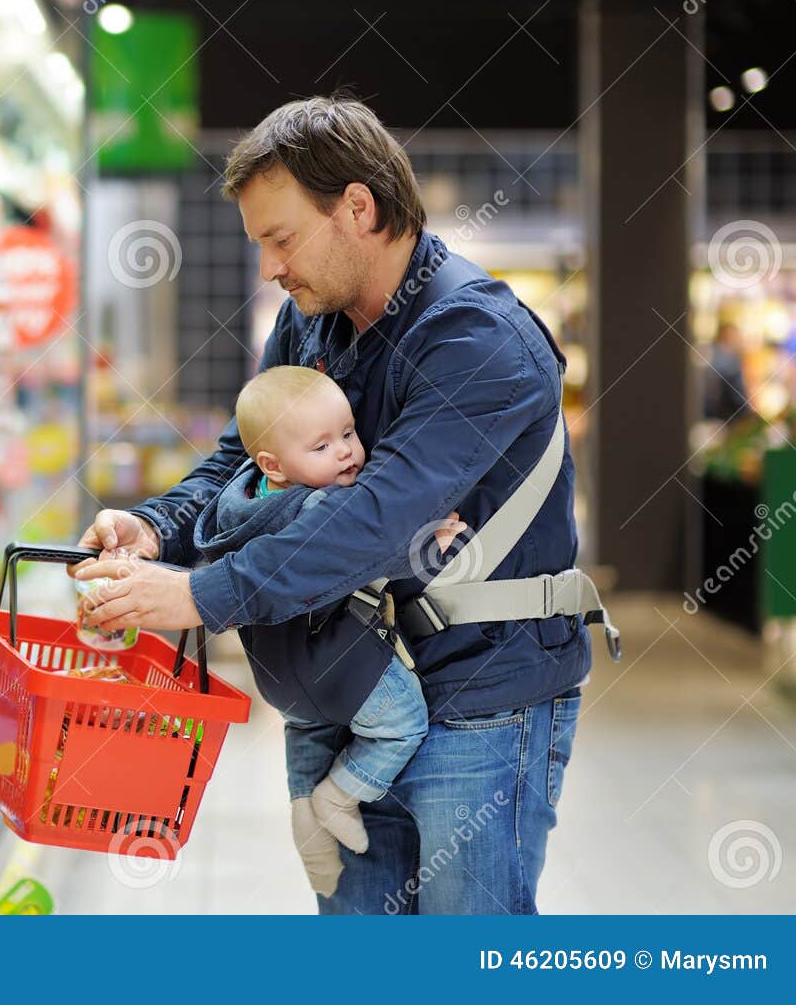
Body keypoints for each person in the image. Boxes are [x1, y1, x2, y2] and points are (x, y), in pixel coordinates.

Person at [74, 95, 590, 915]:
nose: (271, 267)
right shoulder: (310, 324)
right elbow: (247, 458)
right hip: (345, 683)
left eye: (281, 239)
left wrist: (200, 595)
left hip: (481, 696)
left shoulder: (478, 338)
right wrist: (159, 527)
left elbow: (380, 515)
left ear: (358, 206)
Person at [175, 364, 463, 862]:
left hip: (278, 681)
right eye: (322, 446)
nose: (347, 451)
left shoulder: (235, 504)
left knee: (306, 731)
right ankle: (341, 795)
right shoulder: (321, 508)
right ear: (274, 465)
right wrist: (431, 545)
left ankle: (309, 822)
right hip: (342, 667)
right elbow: (369, 554)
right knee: (404, 724)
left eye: (348, 433)